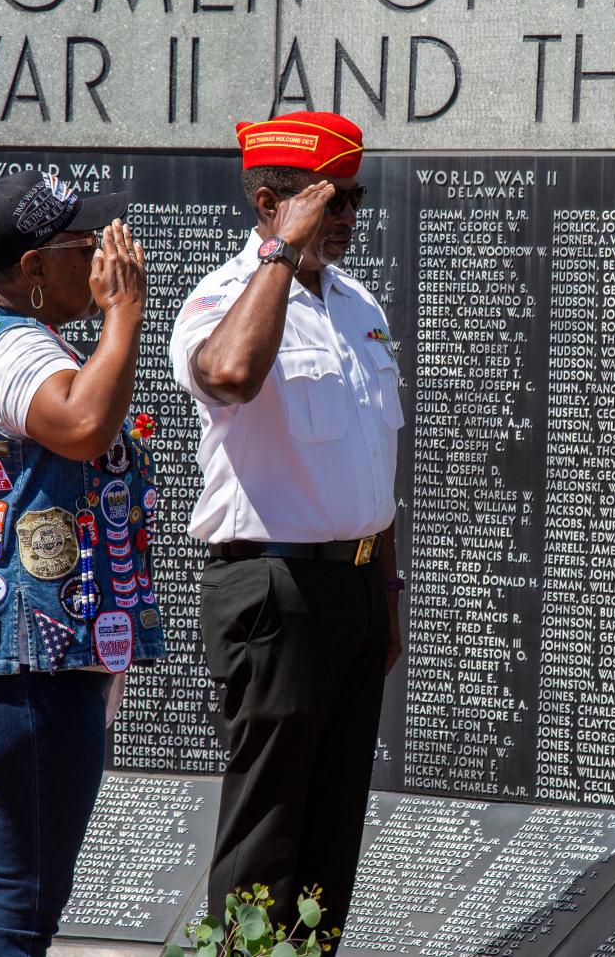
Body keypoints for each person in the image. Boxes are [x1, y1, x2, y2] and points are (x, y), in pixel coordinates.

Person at [0, 169, 166, 957]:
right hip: (17, 666)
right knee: (22, 908)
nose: (101, 255)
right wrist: (124, 316)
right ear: (33, 271)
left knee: (26, 901)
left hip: (11, 661)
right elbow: (85, 424)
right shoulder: (16, 349)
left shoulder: (10, 339)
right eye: (82, 245)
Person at [169, 111, 404, 942]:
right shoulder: (221, 300)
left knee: (333, 830)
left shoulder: (357, 305)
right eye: (328, 201)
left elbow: (372, 457)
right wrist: (279, 253)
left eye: (352, 200)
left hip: (354, 588)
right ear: (269, 202)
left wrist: (388, 583)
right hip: (273, 589)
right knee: (266, 829)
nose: (346, 218)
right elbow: (230, 375)